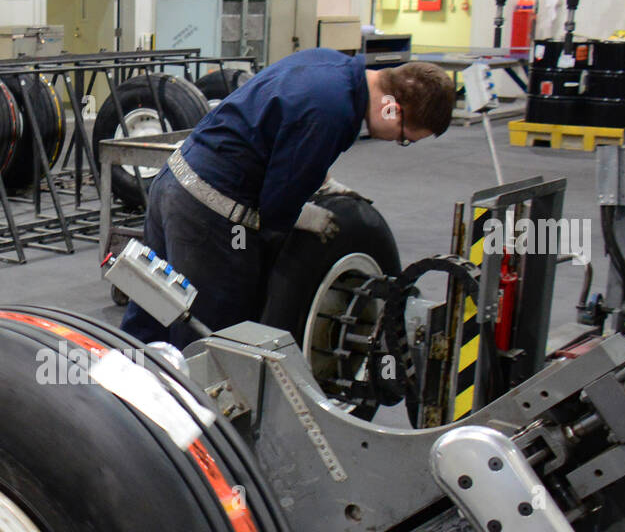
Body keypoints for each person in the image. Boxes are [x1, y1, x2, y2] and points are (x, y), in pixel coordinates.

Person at [120, 55, 455, 347]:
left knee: (152, 306)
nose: (397, 143)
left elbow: (278, 130)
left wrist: (319, 180)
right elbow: (276, 208)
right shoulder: (333, 112)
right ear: (393, 109)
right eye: (404, 139)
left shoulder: (333, 68)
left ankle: (124, 403)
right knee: (211, 335)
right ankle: (196, 415)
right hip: (207, 211)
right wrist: (308, 216)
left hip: (174, 181)